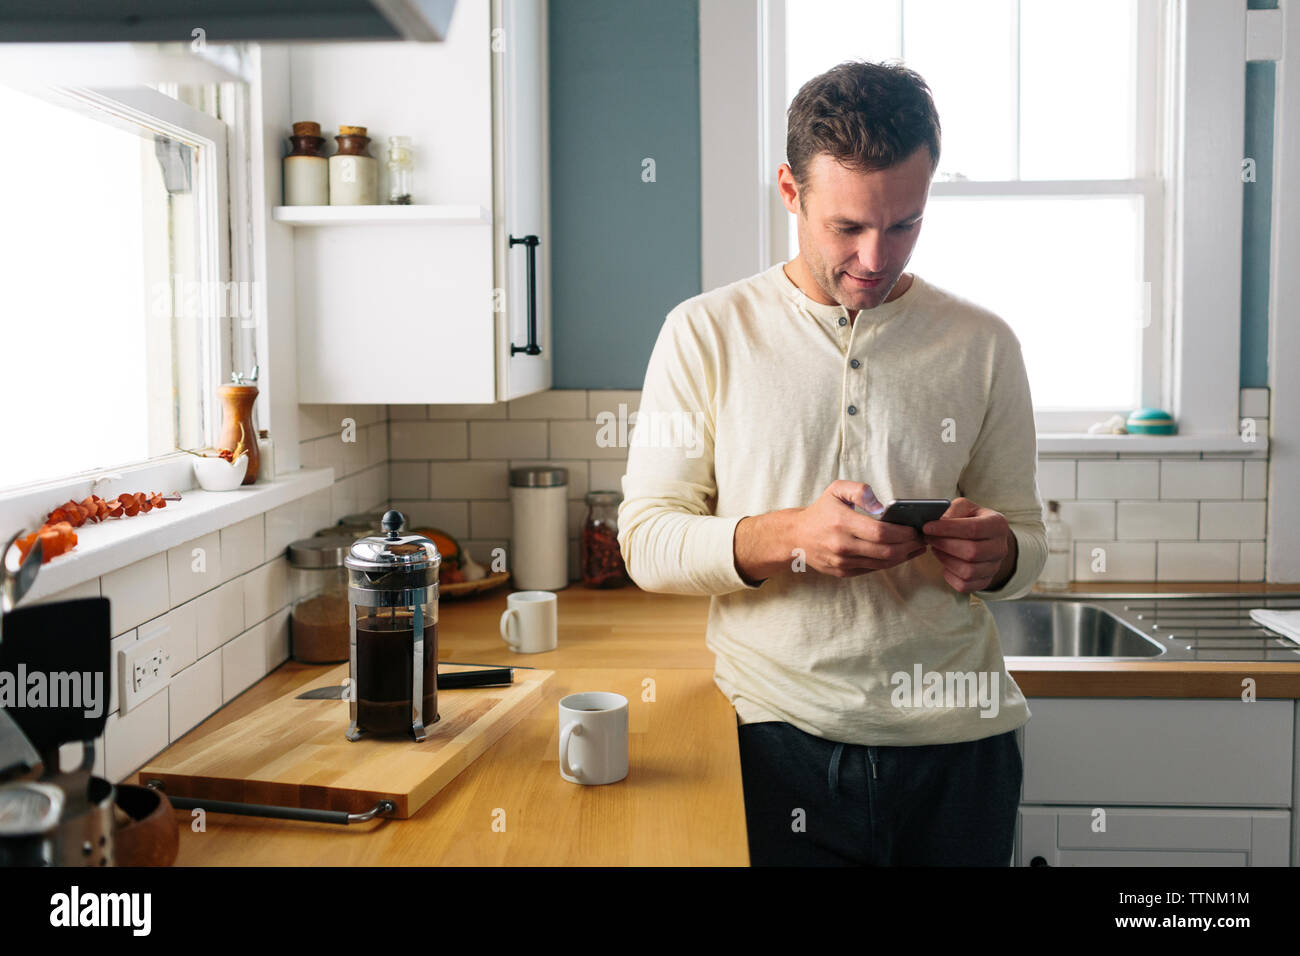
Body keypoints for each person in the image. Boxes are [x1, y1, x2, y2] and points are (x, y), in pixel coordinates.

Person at [617, 60, 1046, 866]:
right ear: (790, 190)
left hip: (961, 744)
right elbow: (647, 541)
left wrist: (1004, 554)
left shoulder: (984, 345)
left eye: (905, 224)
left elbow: (1024, 541)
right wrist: (790, 536)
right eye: (846, 228)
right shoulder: (704, 333)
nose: (875, 257)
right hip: (777, 745)